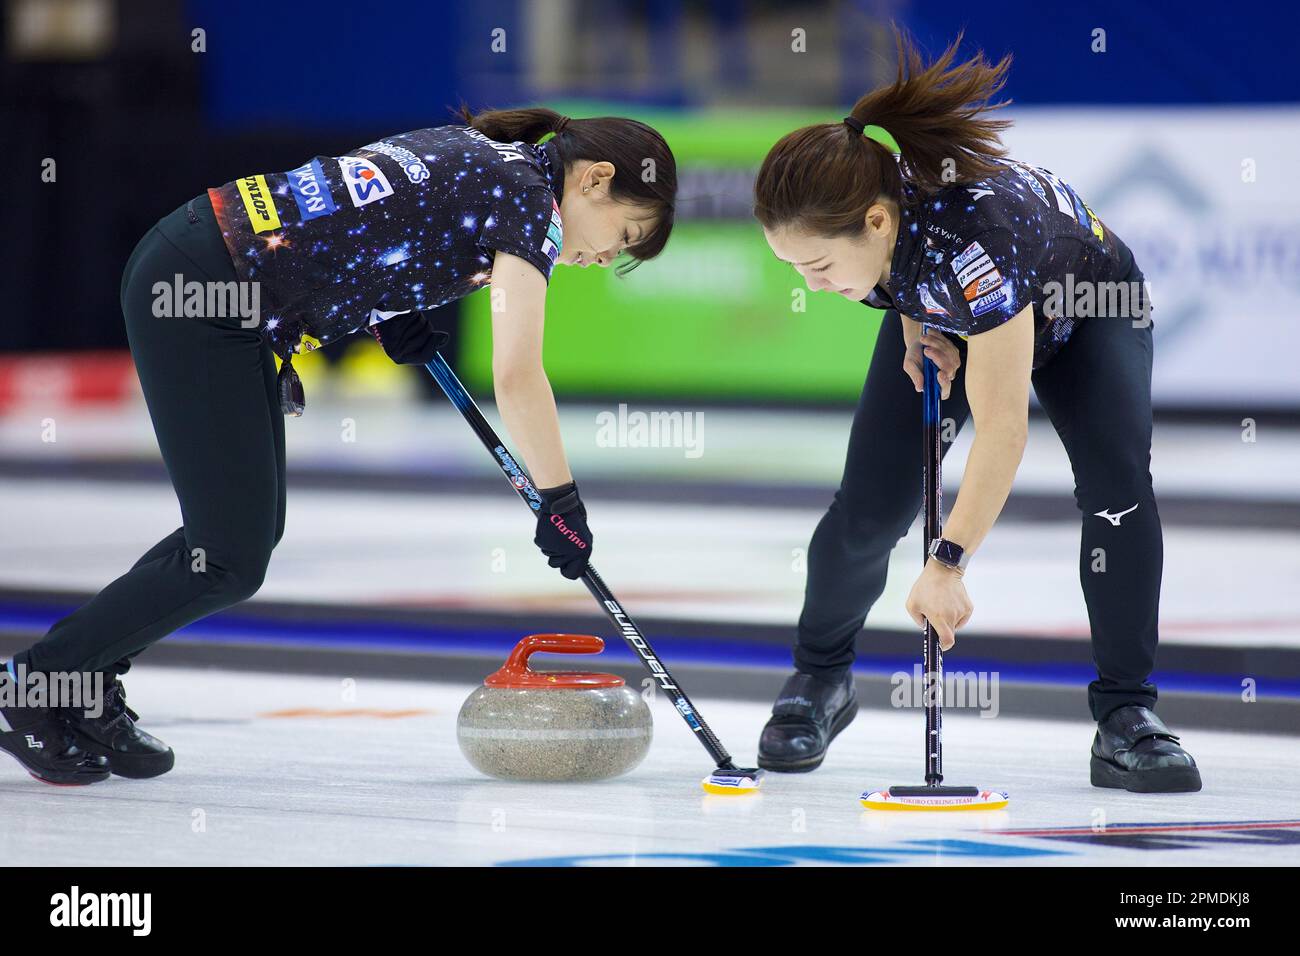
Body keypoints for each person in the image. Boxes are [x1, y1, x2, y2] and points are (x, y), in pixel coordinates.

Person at [0, 108, 676, 785]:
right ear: (595, 179)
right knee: (229, 556)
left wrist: (397, 303)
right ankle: (38, 684)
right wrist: (559, 500)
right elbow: (517, 374)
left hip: (204, 263)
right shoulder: (531, 202)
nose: (606, 257)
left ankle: (79, 679)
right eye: (625, 235)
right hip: (207, 292)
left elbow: (371, 204)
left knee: (241, 542)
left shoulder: (491, 157)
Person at [751, 31, 1200, 793]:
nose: (814, 286)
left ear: (876, 222)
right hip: (967, 310)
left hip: (1088, 310)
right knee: (867, 509)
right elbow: (899, 272)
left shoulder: (975, 245)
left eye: (819, 268)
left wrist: (947, 562)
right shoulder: (880, 212)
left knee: (1118, 493)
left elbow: (1004, 430)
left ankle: (1127, 716)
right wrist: (918, 321)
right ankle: (819, 680)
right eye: (794, 269)